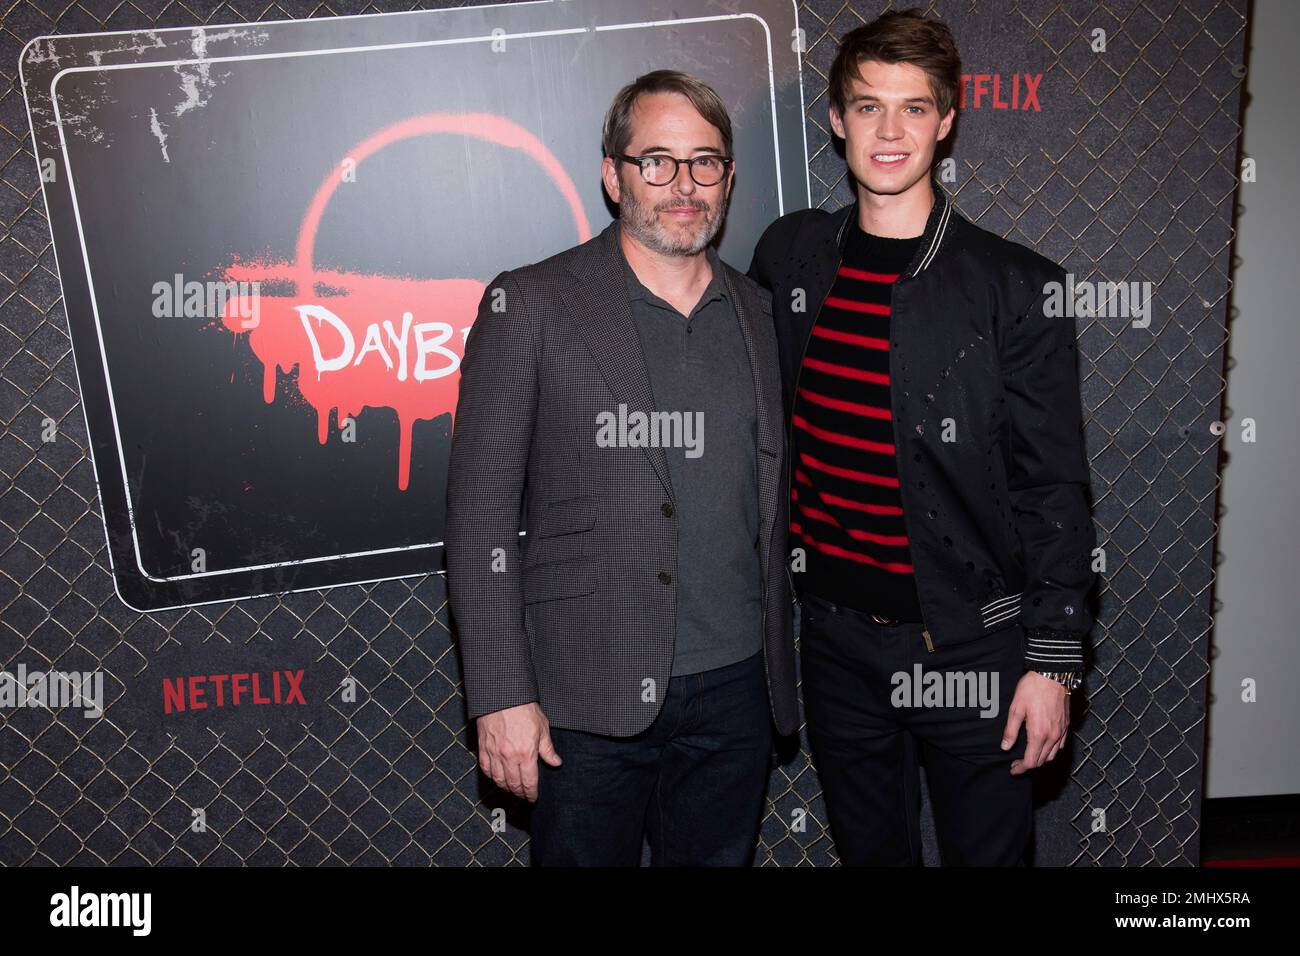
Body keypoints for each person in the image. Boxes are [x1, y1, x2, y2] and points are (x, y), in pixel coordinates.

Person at [748, 9, 1097, 865]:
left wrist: (1053, 666)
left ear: (948, 121)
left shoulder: (1015, 287)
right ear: (836, 120)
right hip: (834, 645)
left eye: (913, 108)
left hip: (974, 647)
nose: (890, 130)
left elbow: (1053, 485)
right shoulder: (791, 258)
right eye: (868, 106)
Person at [445, 70, 796, 866]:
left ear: (730, 178)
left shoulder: (761, 313)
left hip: (739, 686)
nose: (684, 185)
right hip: (583, 697)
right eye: (657, 161)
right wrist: (501, 695)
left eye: (705, 162)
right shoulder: (530, 305)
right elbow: (478, 518)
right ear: (613, 174)